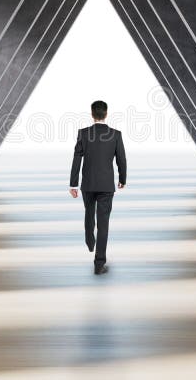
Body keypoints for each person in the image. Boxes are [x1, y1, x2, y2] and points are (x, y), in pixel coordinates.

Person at [69, 100, 127, 274]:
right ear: (106, 114)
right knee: (103, 223)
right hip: (106, 185)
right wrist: (122, 179)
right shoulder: (115, 134)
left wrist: (73, 184)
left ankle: (89, 240)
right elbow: (121, 159)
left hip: (87, 184)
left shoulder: (83, 133)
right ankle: (99, 264)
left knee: (88, 213)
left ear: (92, 114)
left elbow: (77, 159)